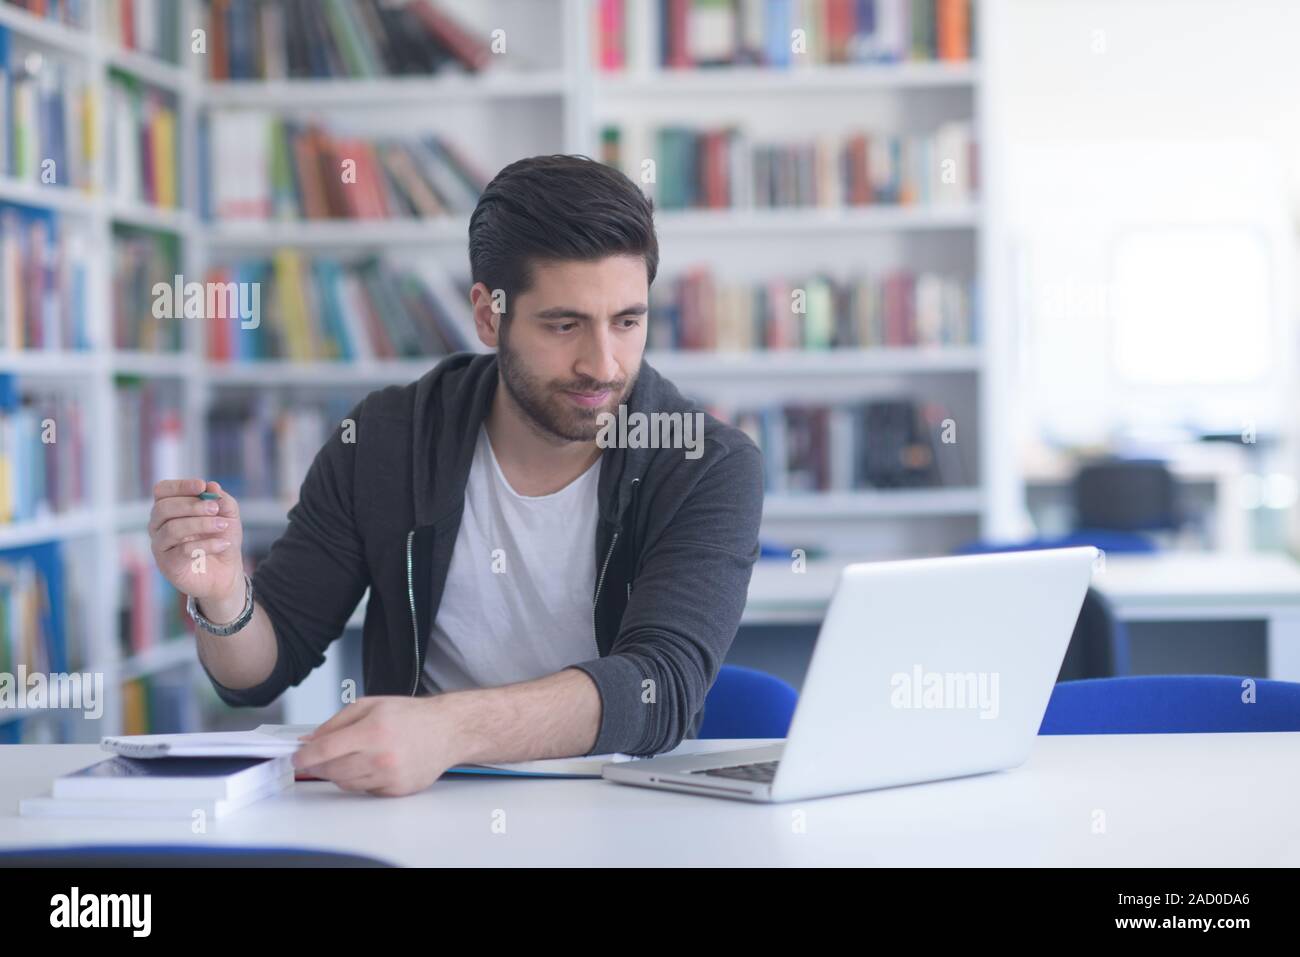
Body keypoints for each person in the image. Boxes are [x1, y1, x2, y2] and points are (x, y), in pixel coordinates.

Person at [148, 154, 764, 796]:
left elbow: (658, 688)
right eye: (564, 324)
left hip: (627, 806)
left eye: (627, 322)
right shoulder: (388, 438)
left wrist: (447, 729)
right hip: (422, 807)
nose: (602, 364)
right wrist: (223, 597)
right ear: (488, 315)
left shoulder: (705, 462)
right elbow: (258, 674)